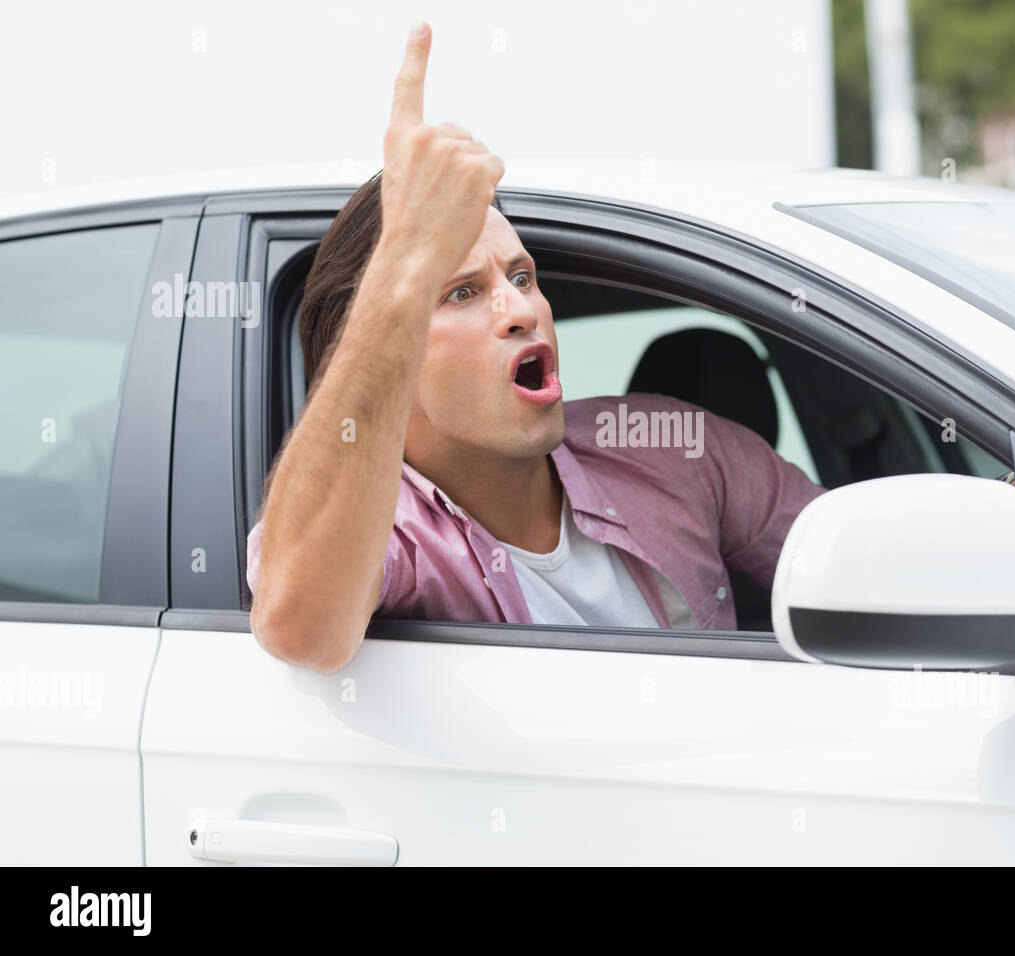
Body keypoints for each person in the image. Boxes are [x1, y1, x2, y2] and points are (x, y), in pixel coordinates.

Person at [246, 21, 825, 673]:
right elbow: (299, 630)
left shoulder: (674, 447)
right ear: (388, 355)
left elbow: (861, 567)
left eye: (520, 277)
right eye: (461, 292)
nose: (521, 309)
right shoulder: (396, 537)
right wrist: (402, 268)